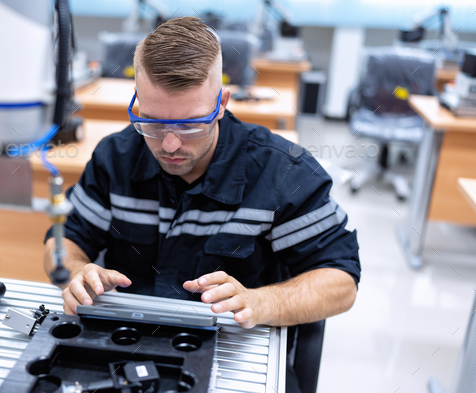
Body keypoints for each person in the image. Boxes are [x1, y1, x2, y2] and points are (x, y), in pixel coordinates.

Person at [44, 16, 360, 392]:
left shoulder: (283, 173)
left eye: (191, 124)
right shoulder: (116, 156)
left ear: (222, 103)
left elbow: (341, 282)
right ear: (137, 103)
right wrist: (77, 270)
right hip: (127, 350)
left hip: (232, 356)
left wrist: (260, 302)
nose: (171, 145)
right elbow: (62, 243)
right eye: (153, 123)